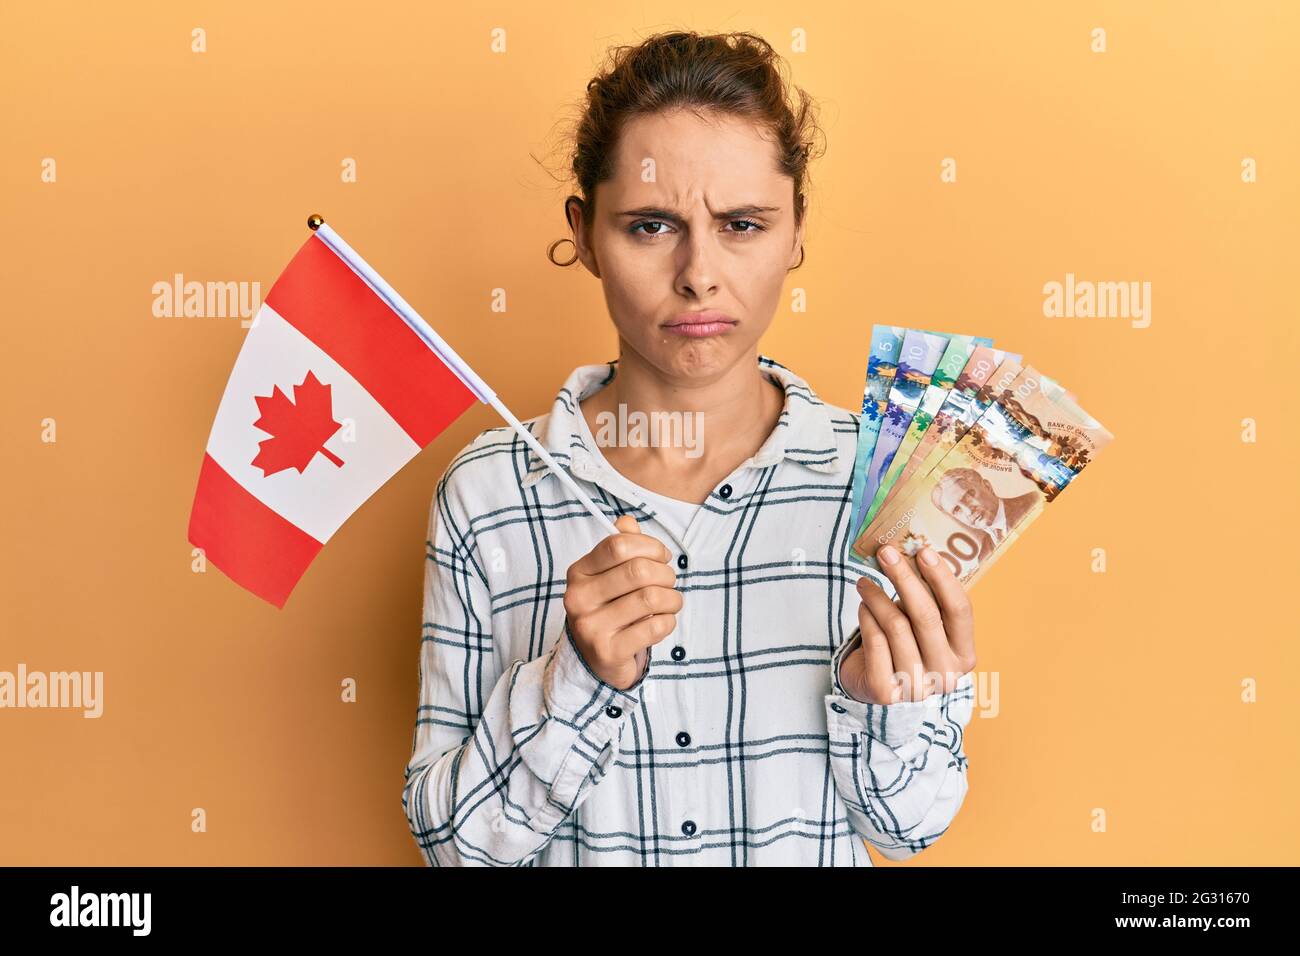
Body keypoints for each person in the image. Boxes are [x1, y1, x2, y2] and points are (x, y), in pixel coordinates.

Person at [402, 30, 977, 867]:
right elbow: (453, 849)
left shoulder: (883, 483)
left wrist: (884, 702)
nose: (699, 273)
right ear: (588, 236)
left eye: (743, 223)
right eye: (650, 226)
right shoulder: (488, 495)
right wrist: (576, 682)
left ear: (797, 234)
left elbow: (908, 829)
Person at [931, 466, 1039, 560]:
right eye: (957, 510)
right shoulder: (983, 557)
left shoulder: (1035, 501)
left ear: (987, 486)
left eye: (968, 496)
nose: (969, 511)